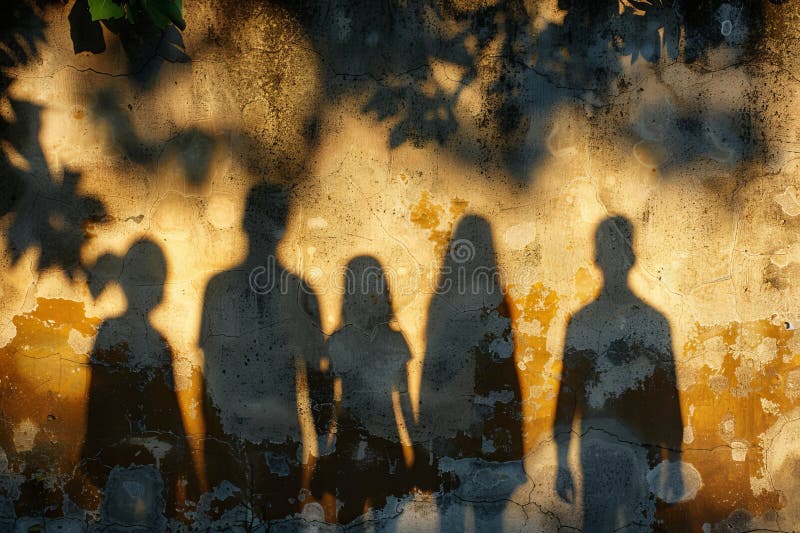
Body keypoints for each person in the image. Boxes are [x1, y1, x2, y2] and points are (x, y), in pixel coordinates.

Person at [199, 182, 325, 521]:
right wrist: (210, 452)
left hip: (279, 442)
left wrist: (326, 453)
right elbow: (208, 376)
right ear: (243, 222)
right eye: (258, 220)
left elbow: (318, 381)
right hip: (232, 443)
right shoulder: (219, 290)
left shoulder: (301, 293)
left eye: (272, 220)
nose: (263, 231)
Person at [554, 215, 683, 530]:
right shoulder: (653, 322)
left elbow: (567, 398)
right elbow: (670, 399)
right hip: (627, 449)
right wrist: (675, 463)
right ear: (633, 256)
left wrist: (561, 464)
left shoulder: (585, 322)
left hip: (612, 449)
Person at [81, 239, 195, 523]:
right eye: (145, 279)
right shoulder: (112, 334)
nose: (154, 289)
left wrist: (184, 459)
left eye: (157, 280)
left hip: (156, 471)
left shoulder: (158, 342)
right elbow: (102, 409)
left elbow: (171, 413)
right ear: (126, 282)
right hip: (127, 471)